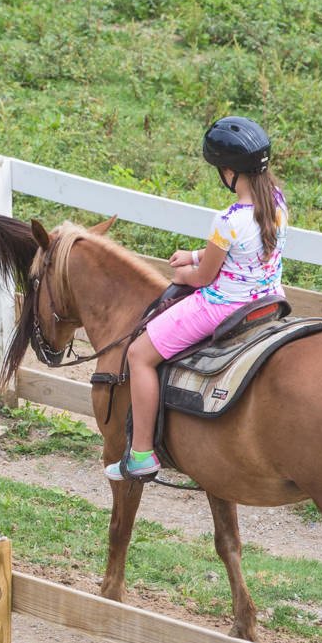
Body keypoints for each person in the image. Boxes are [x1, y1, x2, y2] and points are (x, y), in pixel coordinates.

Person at [109, 116, 288, 480]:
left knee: (139, 355)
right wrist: (193, 254)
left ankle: (142, 454)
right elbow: (245, 253)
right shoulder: (277, 201)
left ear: (229, 172)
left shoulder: (228, 219)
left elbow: (206, 277)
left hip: (224, 305)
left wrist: (185, 273)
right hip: (268, 299)